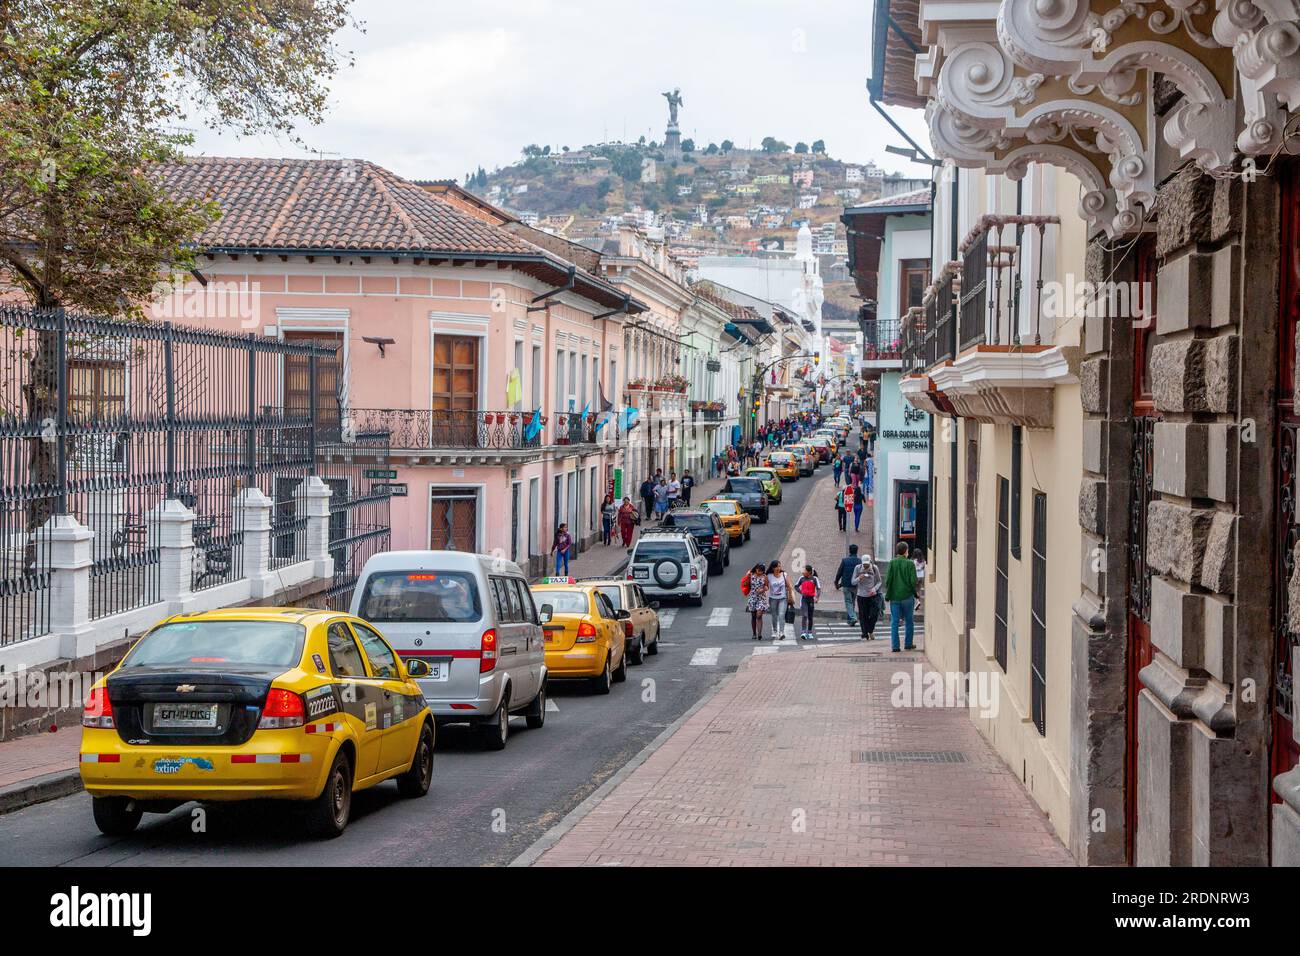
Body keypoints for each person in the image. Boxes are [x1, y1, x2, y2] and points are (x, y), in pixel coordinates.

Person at [884, 541, 919, 651]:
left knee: (894, 622)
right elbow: (914, 581)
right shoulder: (910, 564)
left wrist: (890, 590)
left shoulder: (892, 563)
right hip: (907, 596)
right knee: (909, 621)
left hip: (894, 597)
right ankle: (908, 643)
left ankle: (895, 646)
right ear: (906, 551)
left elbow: (888, 580)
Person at [851, 555, 884, 640]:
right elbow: (853, 582)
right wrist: (859, 578)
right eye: (864, 564)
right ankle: (865, 633)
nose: (865, 566)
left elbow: (879, 581)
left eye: (867, 564)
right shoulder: (858, 568)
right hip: (861, 595)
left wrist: (875, 589)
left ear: (870, 562)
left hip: (872, 595)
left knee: (874, 613)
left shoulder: (874, 568)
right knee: (863, 615)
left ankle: (870, 629)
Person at [833, 544, 863, 626]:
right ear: (857, 551)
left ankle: (853, 617)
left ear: (849, 550)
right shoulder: (860, 561)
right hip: (855, 585)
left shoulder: (845, 560)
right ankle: (850, 620)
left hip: (846, 584)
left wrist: (836, 582)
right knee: (852, 602)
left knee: (848, 602)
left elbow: (839, 572)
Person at [766, 560, 792, 640]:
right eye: (777, 566)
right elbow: (766, 586)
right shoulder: (769, 576)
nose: (778, 568)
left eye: (779, 566)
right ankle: (774, 631)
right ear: (773, 568)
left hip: (783, 598)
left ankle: (781, 632)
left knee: (781, 615)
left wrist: (790, 596)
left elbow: (789, 586)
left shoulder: (784, 574)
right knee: (774, 616)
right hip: (772, 599)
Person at [743, 563, 769, 639]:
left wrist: (762, 589)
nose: (759, 571)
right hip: (752, 598)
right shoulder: (751, 575)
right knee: (753, 616)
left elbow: (767, 587)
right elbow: (745, 584)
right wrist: (747, 576)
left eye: (761, 570)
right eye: (757, 569)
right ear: (755, 568)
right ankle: (754, 633)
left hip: (761, 598)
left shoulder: (765, 577)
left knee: (759, 615)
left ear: (763, 571)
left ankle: (759, 634)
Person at [796, 564, 822, 641]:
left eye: (804, 570)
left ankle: (810, 632)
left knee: (810, 617)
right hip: (803, 599)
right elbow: (796, 586)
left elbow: (819, 588)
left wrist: (817, 597)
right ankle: (803, 632)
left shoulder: (814, 579)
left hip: (811, 600)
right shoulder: (801, 578)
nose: (803, 572)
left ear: (809, 572)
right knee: (805, 615)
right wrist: (801, 592)